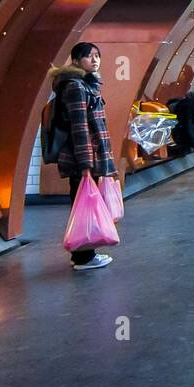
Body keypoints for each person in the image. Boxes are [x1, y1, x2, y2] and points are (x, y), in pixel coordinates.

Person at [50, 42, 117, 271]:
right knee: (82, 205)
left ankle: (84, 253)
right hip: (82, 158)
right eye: (89, 56)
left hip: (86, 156)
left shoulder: (85, 85)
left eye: (97, 56)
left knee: (84, 204)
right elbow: (80, 128)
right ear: (77, 61)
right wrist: (86, 165)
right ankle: (83, 257)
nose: (95, 60)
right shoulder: (75, 87)